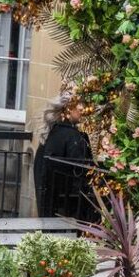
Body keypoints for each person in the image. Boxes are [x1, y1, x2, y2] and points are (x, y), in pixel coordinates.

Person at [32, 90, 95, 220]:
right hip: (67, 208)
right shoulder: (72, 136)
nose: (84, 108)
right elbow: (81, 171)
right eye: (80, 104)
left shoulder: (53, 131)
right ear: (68, 109)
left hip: (49, 203)